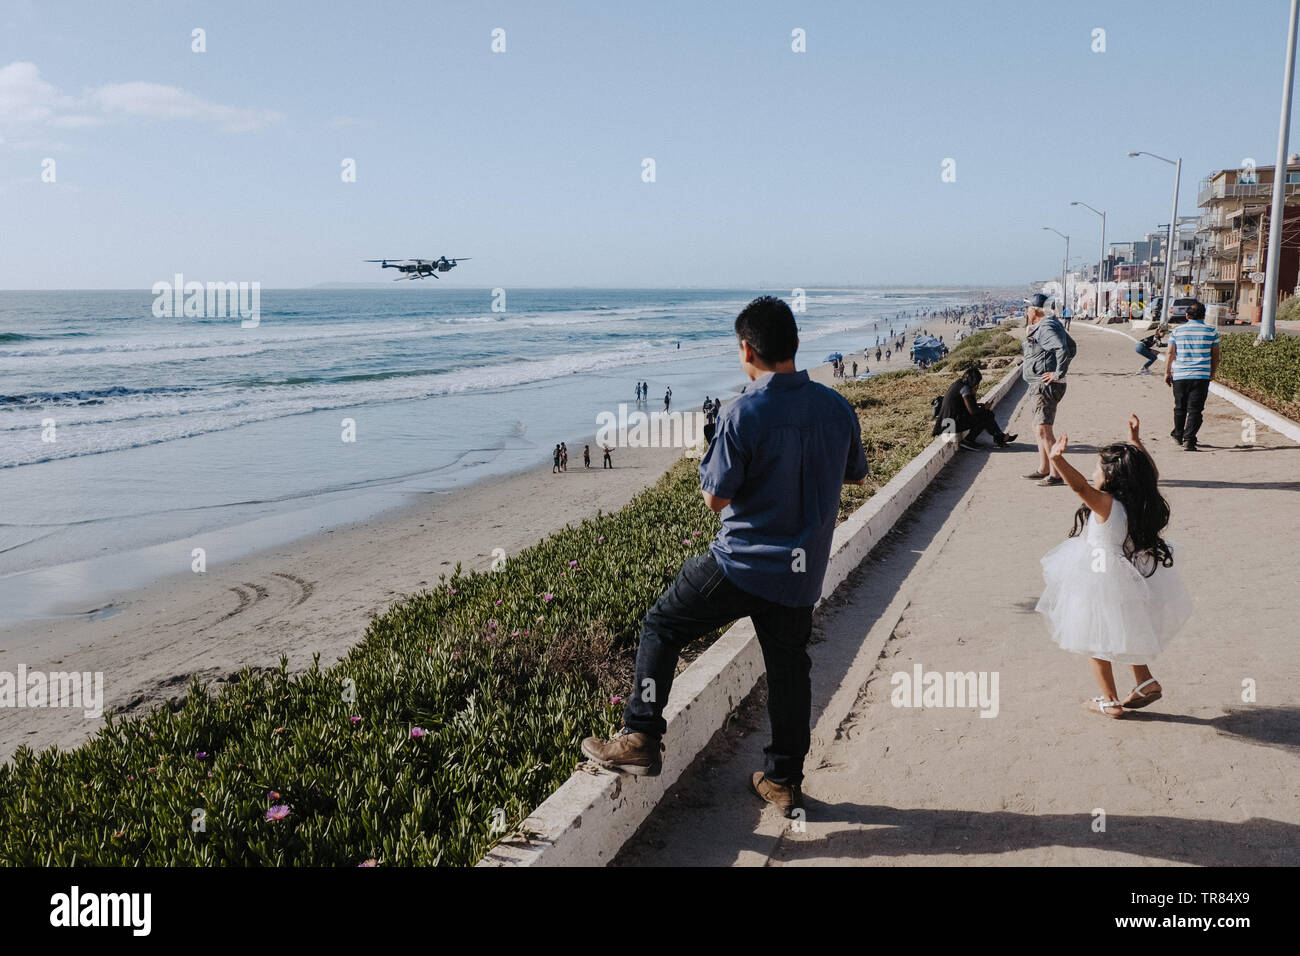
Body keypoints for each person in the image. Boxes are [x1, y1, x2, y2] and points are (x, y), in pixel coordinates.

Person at [581, 296, 869, 817]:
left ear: (745, 350)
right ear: (796, 344)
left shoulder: (743, 413)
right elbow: (856, 474)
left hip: (742, 563)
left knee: (662, 625)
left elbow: (715, 499)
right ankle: (782, 781)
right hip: (800, 573)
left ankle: (641, 735)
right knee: (788, 670)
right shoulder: (836, 407)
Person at [1035, 414, 1191, 718]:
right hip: (1129, 574)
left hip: (1098, 574)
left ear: (1112, 476)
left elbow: (1080, 488)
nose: (1094, 473)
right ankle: (1145, 681)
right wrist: (1135, 441)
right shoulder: (1141, 500)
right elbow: (1150, 474)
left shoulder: (1106, 503)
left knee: (1093, 635)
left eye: (1098, 469)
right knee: (1124, 628)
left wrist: (1058, 461)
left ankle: (1109, 700)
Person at [1021, 293, 1076, 487]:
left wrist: (1057, 373)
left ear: (1035, 310)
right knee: (1039, 430)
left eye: (1028, 308)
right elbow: (1072, 346)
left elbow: (1063, 348)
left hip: (1045, 386)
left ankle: (1056, 474)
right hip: (1040, 384)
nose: (1026, 311)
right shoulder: (1049, 325)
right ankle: (1044, 468)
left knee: (1044, 431)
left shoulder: (1046, 326)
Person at [1164, 302, 1219, 452]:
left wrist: (1167, 372)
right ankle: (1189, 439)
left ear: (1187, 316)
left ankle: (1178, 434)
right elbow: (1215, 356)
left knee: (1180, 406)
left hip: (1180, 375)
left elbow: (1170, 353)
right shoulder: (1211, 331)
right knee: (1195, 409)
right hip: (1201, 376)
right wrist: (1212, 372)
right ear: (1204, 316)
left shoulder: (1177, 331)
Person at [933, 365, 1016, 450]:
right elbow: (973, 411)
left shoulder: (959, 383)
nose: (977, 385)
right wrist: (984, 407)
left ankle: (1000, 438)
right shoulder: (965, 389)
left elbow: (966, 405)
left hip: (948, 422)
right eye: (977, 383)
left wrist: (980, 404)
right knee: (986, 415)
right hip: (950, 425)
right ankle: (968, 441)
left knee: (986, 414)